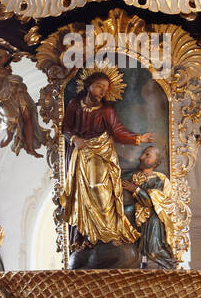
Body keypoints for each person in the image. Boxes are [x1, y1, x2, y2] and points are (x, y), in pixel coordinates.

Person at [61, 69, 154, 250]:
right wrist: (74, 139)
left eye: (105, 88)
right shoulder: (74, 105)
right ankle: (89, 234)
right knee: (83, 194)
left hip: (101, 152)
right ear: (88, 86)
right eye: (99, 87)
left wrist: (138, 138)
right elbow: (65, 127)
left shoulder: (106, 110)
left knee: (101, 190)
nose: (102, 91)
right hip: (81, 154)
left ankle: (109, 232)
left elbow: (117, 131)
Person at [123, 145, 178, 269]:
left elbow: (151, 201)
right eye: (143, 154)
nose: (142, 157)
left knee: (153, 251)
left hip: (153, 220)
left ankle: (169, 266)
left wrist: (135, 190)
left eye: (147, 155)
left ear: (156, 162)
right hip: (134, 219)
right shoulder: (130, 176)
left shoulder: (159, 180)